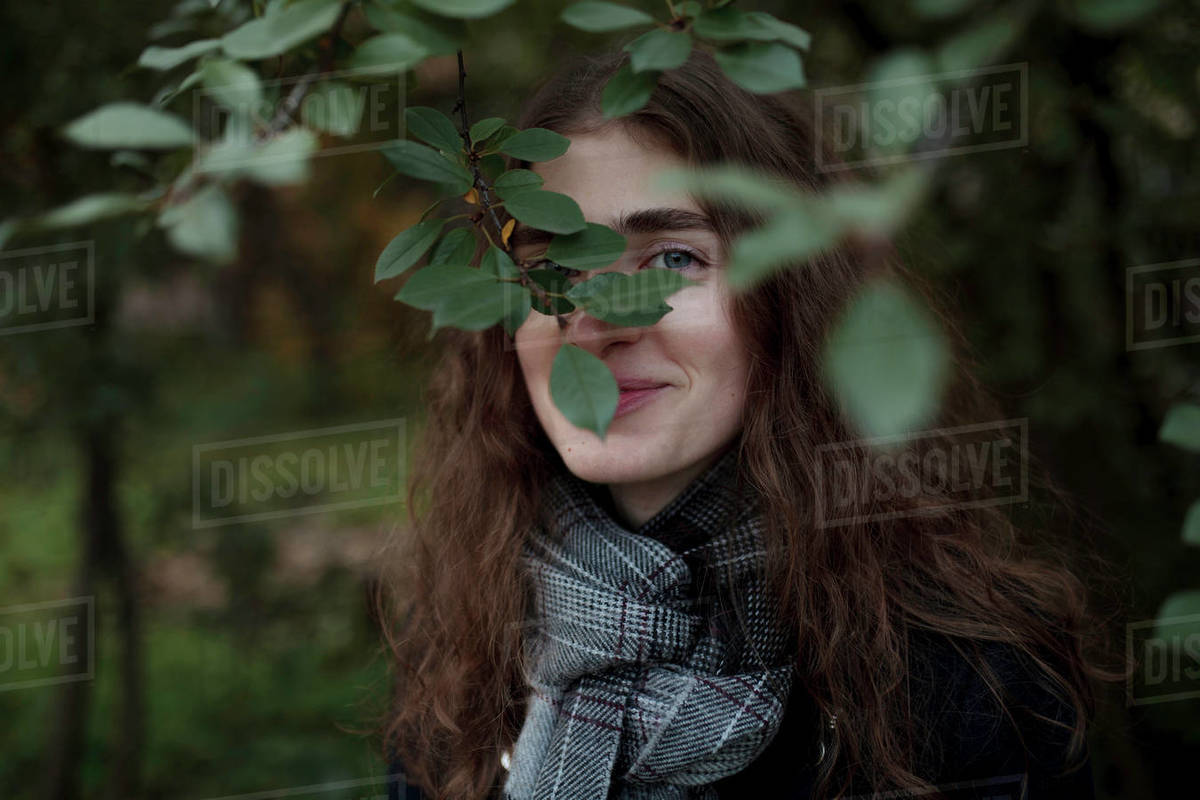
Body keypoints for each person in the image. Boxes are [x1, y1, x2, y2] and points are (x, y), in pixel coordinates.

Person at [379, 44, 1121, 800]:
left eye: (672, 259)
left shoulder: (961, 682)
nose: (597, 322)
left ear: (793, 299)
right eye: (553, 273)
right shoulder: (458, 671)